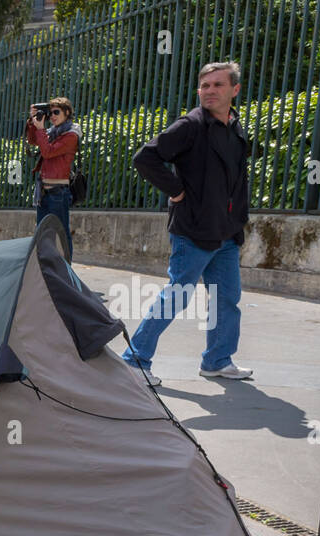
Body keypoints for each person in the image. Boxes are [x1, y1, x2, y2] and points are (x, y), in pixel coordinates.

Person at [122, 61, 253, 386]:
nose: (209, 91)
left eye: (217, 85)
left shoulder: (235, 128)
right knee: (177, 295)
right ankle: (134, 362)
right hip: (194, 230)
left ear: (234, 90)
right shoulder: (190, 125)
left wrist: (237, 222)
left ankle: (217, 361)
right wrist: (177, 191)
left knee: (227, 299)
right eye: (205, 85)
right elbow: (145, 158)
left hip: (225, 232)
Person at [25, 97, 80, 257]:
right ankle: (45, 264)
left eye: (56, 112)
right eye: (50, 113)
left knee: (61, 232)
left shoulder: (71, 136)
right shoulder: (53, 133)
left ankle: (66, 266)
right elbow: (34, 140)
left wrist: (41, 129)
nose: (52, 116)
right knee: (42, 232)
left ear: (67, 113)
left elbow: (48, 152)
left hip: (58, 193)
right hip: (44, 192)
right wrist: (32, 121)